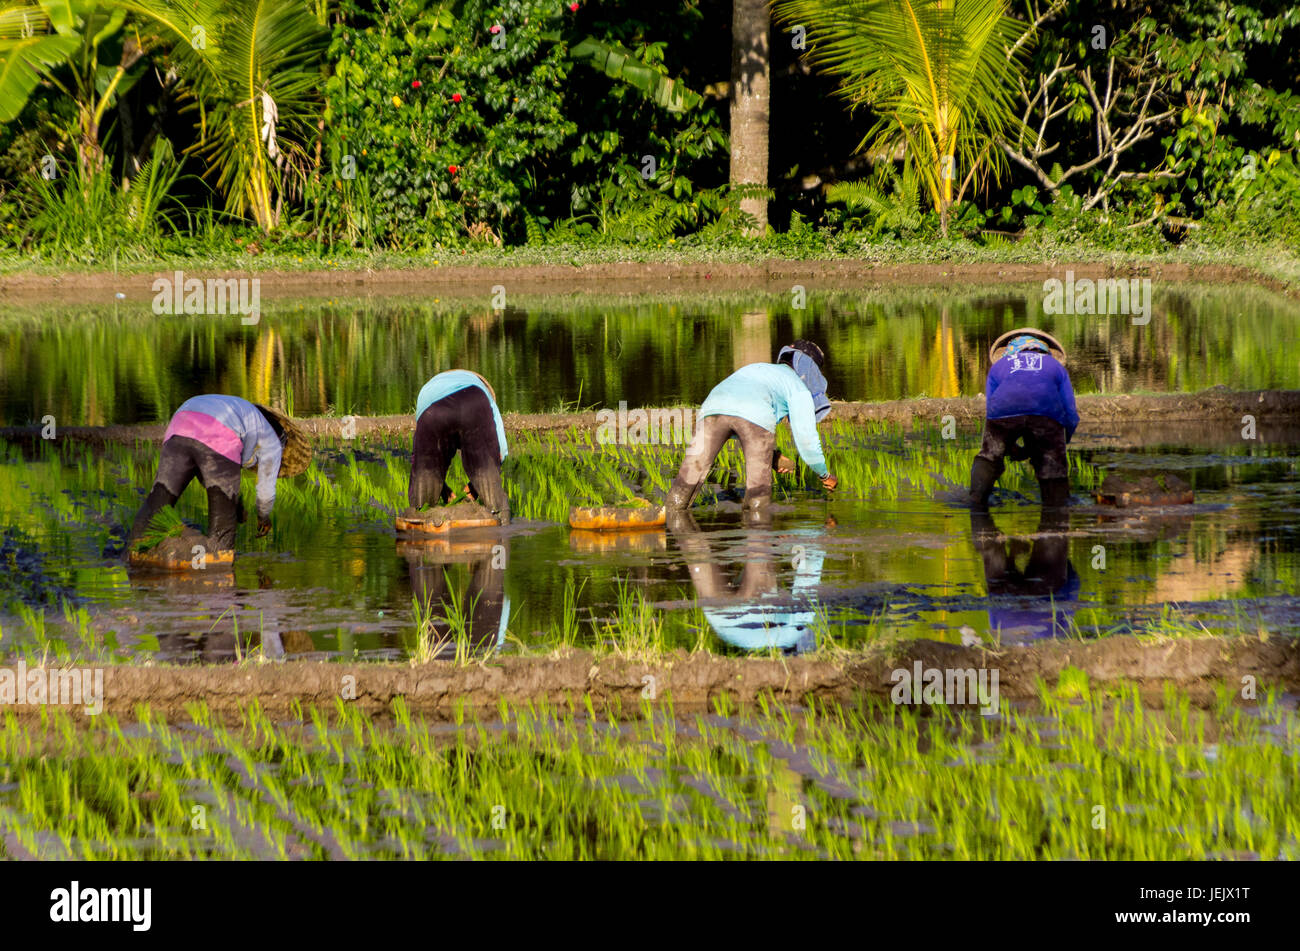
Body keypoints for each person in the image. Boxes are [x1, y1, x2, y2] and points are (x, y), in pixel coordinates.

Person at [667, 340, 837, 513]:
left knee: (685, 484)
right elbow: (806, 439)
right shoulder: (798, 387)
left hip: (710, 409)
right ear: (810, 370)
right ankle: (757, 534)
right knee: (758, 497)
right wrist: (825, 475)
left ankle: (666, 524)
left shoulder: (758, 368)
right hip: (755, 419)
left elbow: (735, 419)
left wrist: (771, 457)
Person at [127, 395, 310, 552]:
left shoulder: (245, 417)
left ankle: (133, 552)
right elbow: (265, 490)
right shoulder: (272, 442)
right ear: (283, 440)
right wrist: (263, 517)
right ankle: (217, 570)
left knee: (159, 499)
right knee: (223, 529)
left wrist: (236, 507)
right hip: (219, 433)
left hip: (179, 424)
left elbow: (206, 471)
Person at [970, 328, 1079, 511]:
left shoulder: (998, 367)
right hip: (1046, 415)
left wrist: (1009, 446)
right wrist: (1062, 441)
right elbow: (1070, 414)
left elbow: (993, 410)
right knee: (1052, 466)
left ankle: (975, 501)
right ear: (1044, 350)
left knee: (989, 456)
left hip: (1003, 416)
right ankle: (1056, 511)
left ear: (1011, 350)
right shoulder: (1056, 368)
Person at [411, 369, 510, 522]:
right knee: (494, 497)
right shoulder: (484, 392)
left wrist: (440, 489)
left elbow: (422, 454)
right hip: (474, 403)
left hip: (433, 411)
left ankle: (418, 526)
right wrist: (477, 486)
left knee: (422, 495)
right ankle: (501, 529)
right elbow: (500, 452)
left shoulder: (427, 389)